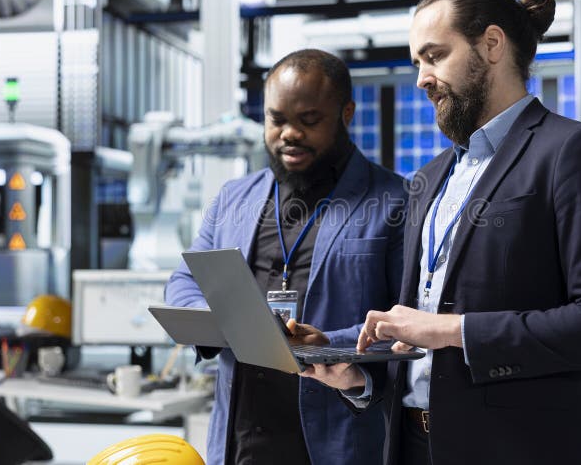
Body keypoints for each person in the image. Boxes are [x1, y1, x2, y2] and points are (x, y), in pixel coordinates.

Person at [304, 0, 581, 464]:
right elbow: (423, 338)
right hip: (414, 446)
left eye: (435, 56)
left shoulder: (573, 151)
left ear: (491, 45)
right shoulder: (431, 178)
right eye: (417, 63)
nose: (422, 78)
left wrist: (450, 330)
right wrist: (360, 376)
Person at [165, 49, 407, 465]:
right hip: (242, 439)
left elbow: (407, 318)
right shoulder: (233, 198)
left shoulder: (393, 202)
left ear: (346, 113)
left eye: (309, 120)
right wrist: (214, 320)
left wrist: (330, 345)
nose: (289, 133)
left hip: (336, 443)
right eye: (277, 120)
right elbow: (185, 280)